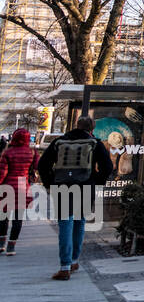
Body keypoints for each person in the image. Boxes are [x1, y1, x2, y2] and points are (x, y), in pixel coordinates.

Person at [36, 116, 113, 280]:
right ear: (91, 128)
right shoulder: (94, 143)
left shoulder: (60, 142)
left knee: (65, 224)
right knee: (80, 222)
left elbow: (43, 164)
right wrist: (96, 180)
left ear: (75, 125)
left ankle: (64, 266)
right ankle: (74, 260)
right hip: (85, 186)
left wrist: (50, 182)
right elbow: (108, 166)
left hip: (62, 186)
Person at [0, 128, 38, 256]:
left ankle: (1, 244)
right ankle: (11, 246)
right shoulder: (32, 152)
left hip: (7, 185)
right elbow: (38, 166)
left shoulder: (7, 153)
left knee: (3, 217)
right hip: (22, 185)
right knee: (18, 218)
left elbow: (2, 172)